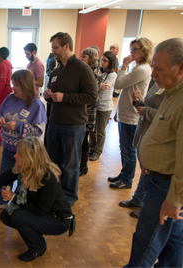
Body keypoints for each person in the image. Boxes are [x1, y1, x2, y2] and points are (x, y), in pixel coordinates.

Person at [127, 37, 183, 267]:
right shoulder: (170, 94)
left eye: (158, 68)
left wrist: (173, 199)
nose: (153, 74)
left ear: (181, 68)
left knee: (145, 243)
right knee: (173, 246)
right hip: (158, 183)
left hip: (165, 187)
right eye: (152, 67)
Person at [42, 32, 97, 206]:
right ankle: (54, 192)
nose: (53, 51)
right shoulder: (56, 71)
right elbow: (53, 95)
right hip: (54, 123)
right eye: (52, 48)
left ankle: (68, 197)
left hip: (73, 126)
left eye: (55, 47)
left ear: (66, 46)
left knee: (71, 165)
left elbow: (91, 96)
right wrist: (48, 96)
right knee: (53, 162)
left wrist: (65, 97)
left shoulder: (82, 68)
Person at [0, 70, 47, 212]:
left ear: (25, 85)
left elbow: (38, 130)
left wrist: (18, 126)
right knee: (4, 177)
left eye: (16, 85)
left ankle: (18, 205)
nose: (13, 88)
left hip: (25, 153)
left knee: (23, 181)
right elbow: (0, 112)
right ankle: (1, 200)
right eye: (12, 84)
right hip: (8, 148)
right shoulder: (10, 98)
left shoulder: (36, 104)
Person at [109, 38, 154, 190]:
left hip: (131, 116)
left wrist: (124, 65)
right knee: (124, 147)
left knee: (128, 148)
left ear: (144, 50)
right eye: (131, 48)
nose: (132, 51)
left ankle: (127, 179)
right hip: (126, 113)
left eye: (135, 49)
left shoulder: (141, 69)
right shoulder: (138, 67)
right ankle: (124, 174)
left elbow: (118, 85)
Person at [120, 77, 162, 219]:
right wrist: (138, 102)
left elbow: (166, 116)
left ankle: (145, 206)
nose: (153, 71)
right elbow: (146, 107)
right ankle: (138, 200)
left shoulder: (175, 90)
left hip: (155, 137)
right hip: (144, 133)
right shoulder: (157, 82)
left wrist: (146, 111)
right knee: (145, 172)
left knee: (150, 174)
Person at [89, 51, 119, 161]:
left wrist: (98, 86)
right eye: (101, 60)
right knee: (93, 129)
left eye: (105, 60)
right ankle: (91, 148)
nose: (102, 62)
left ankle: (98, 151)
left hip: (105, 106)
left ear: (111, 62)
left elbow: (103, 87)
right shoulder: (102, 73)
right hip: (96, 105)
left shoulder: (112, 74)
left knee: (100, 131)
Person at [77, 47, 100, 176]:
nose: (82, 58)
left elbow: (92, 96)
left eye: (84, 56)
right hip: (82, 110)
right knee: (80, 139)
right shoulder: (84, 71)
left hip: (88, 111)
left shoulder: (94, 74)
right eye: (81, 56)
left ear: (91, 58)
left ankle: (84, 166)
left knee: (84, 138)